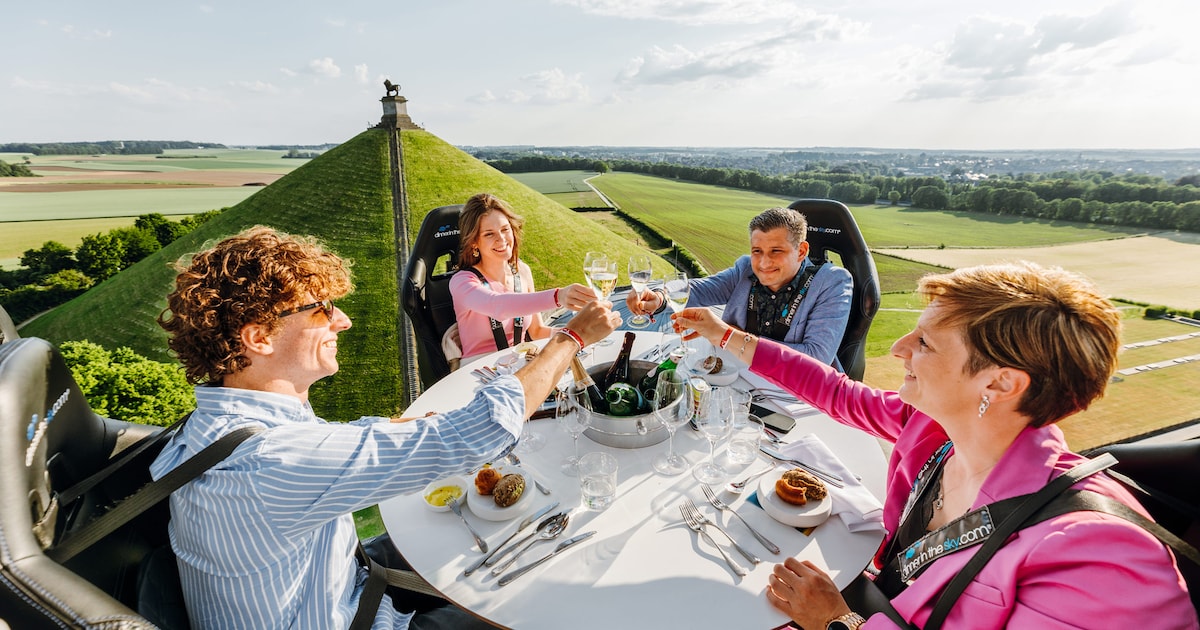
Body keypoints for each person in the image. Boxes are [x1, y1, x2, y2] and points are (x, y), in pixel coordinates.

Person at [673, 261, 1197, 630]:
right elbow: (835, 391)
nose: (898, 348)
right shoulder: (931, 428)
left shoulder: (1099, 560)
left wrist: (839, 623)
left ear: (998, 384)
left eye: (923, 342)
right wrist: (725, 335)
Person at [151, 226, 620, 630]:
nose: (344, 320)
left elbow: (330, 445)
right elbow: (480, 434)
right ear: (259, 337)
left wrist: (402, 425)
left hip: (334, 579)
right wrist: (570, 339)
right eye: (320, 309)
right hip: (352, 615)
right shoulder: (271, 460)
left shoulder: (221, 424)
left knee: (509, 532)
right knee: (542, 599)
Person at [627, 206, 853, 369]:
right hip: (736, 375)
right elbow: (699, 289)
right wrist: (660, 297)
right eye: (757, 251)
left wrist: (728, 334)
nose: (763, 263)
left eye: (776, 251)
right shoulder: (746, 268)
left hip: (795, 397)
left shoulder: (833, 282)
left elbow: (815, 359)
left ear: (801, 251)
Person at [450, 193, 596, 361]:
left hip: (520, 365)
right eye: (489, 234)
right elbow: (498, 306)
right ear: (474, 242)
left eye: (505, 229)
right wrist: (558, 296)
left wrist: (581, 334)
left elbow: (537, 332)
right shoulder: (462, 282)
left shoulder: (523, 271)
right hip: (477, 371)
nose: (502, 239)